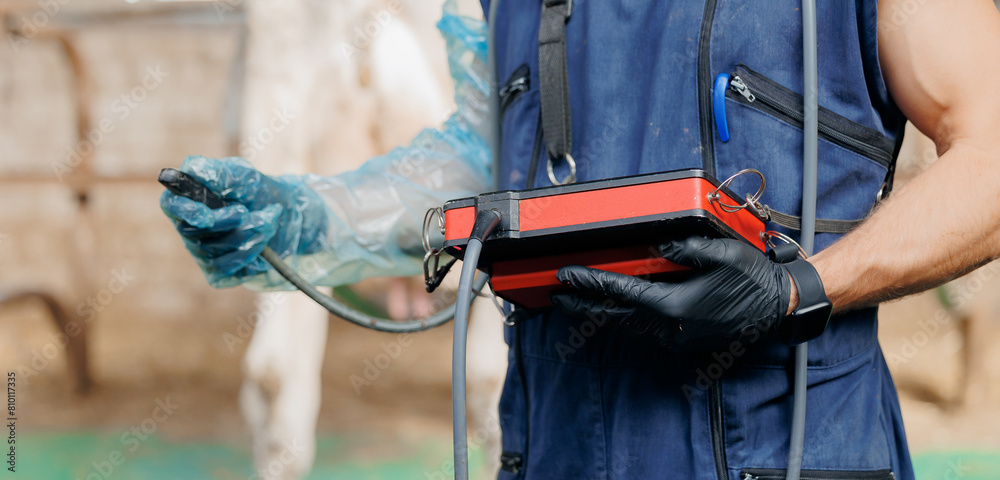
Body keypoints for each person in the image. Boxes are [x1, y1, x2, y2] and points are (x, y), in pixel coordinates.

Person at [161, 0, 1000, 478]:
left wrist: (799, 288)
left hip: (785, 454)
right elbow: (486, 161)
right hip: (558, 452)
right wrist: (309, 219)